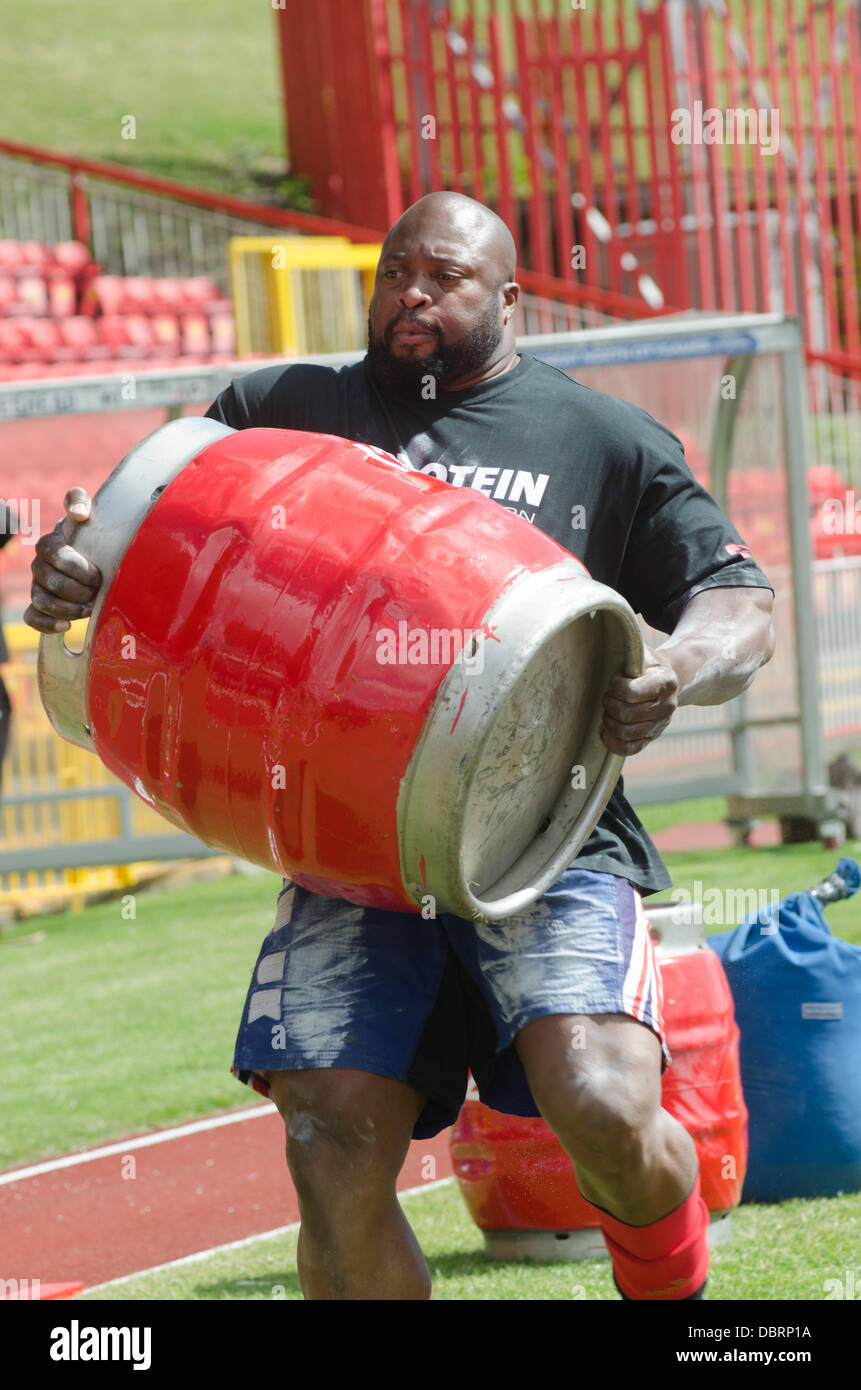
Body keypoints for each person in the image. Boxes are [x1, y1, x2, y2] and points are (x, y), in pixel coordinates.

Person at [25, 192, 775, 1302]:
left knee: (609, 1109)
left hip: (552, 833)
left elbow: (739, 600)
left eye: (446, 277)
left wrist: (678, 664)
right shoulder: (279, 408)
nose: (412, 294)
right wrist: (73, 572)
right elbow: (133, 542)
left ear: (512, 297)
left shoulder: (597, 435)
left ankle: (676, 1298)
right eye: (394, 272)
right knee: (328, 1145)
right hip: (350, 851)